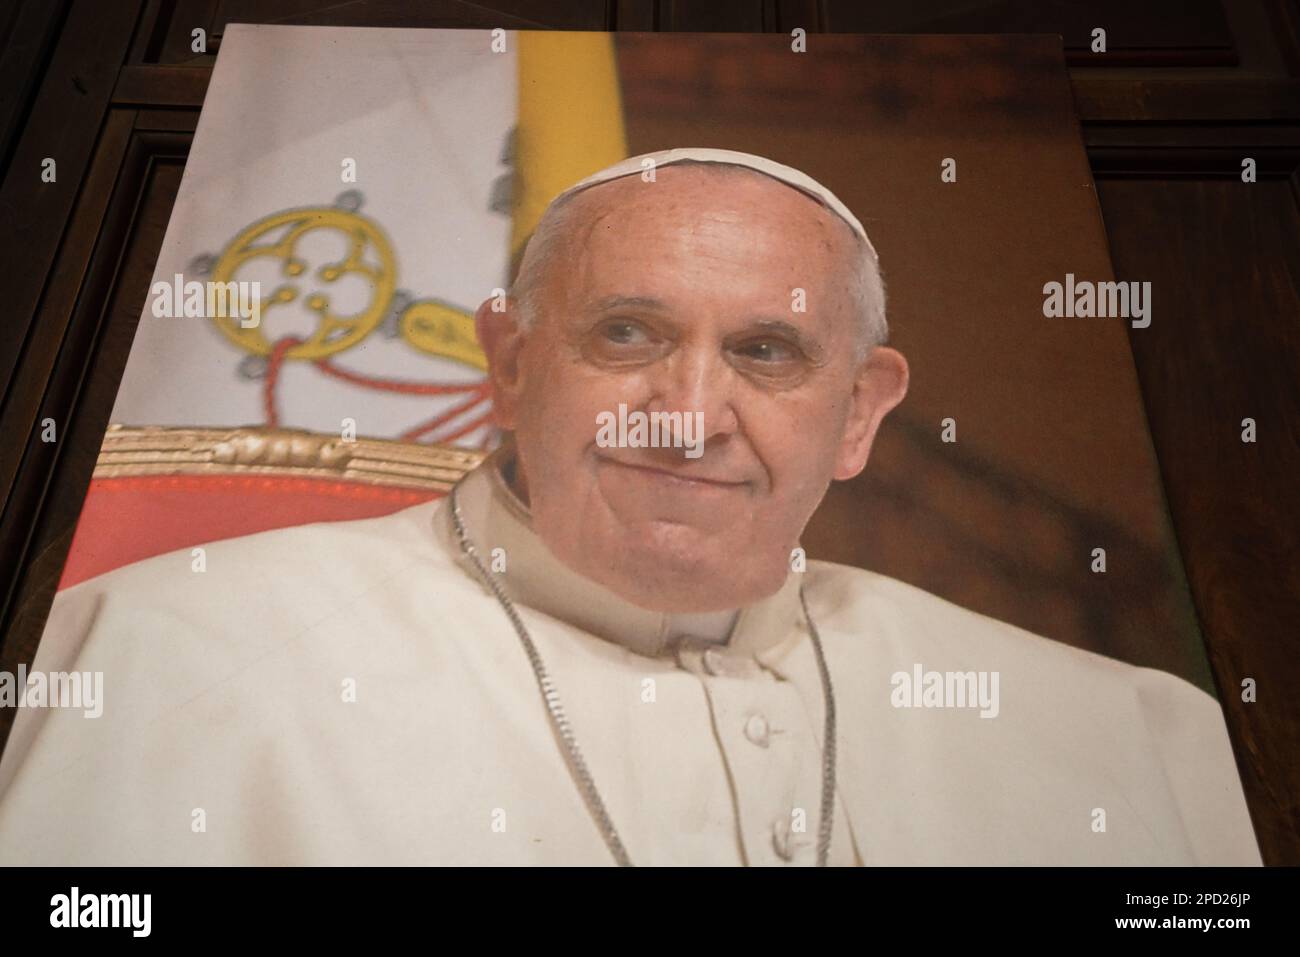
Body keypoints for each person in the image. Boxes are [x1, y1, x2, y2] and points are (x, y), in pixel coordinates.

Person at [0, 149, 1260, 866]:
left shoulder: (1129, 737)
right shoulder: (161, 658)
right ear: (510, 365)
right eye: (625, 333)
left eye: (767, 351)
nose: (688, 413)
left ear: (860, 413)